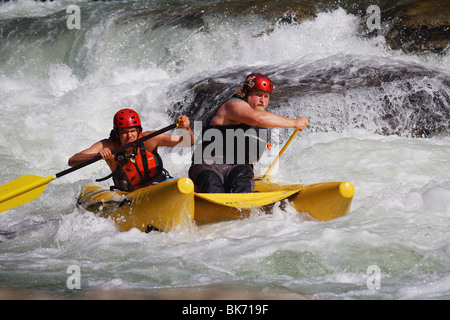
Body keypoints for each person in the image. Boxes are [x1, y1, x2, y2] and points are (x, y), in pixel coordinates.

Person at [189, 73, 309, 193]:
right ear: (245, 93)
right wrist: (294, 123)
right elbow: (258, 118)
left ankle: (246, 207)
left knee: (243, 181)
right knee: (212, 184)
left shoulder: (263, 122)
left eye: (266, 96)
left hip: (238, 167)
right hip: (209, 165)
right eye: (258, 95)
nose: (262, 100)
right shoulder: (233, 105)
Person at [68, 108, 194, 191]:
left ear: (138, 130)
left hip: (158, 185)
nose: (130, 136)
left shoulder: (151, 139)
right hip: (130, 194)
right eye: (124, 132)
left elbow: (188, 142)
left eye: (133, 131)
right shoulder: (108, 146)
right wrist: (97, 156)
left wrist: (186, 128)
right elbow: (72, 160)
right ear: (117, 133)